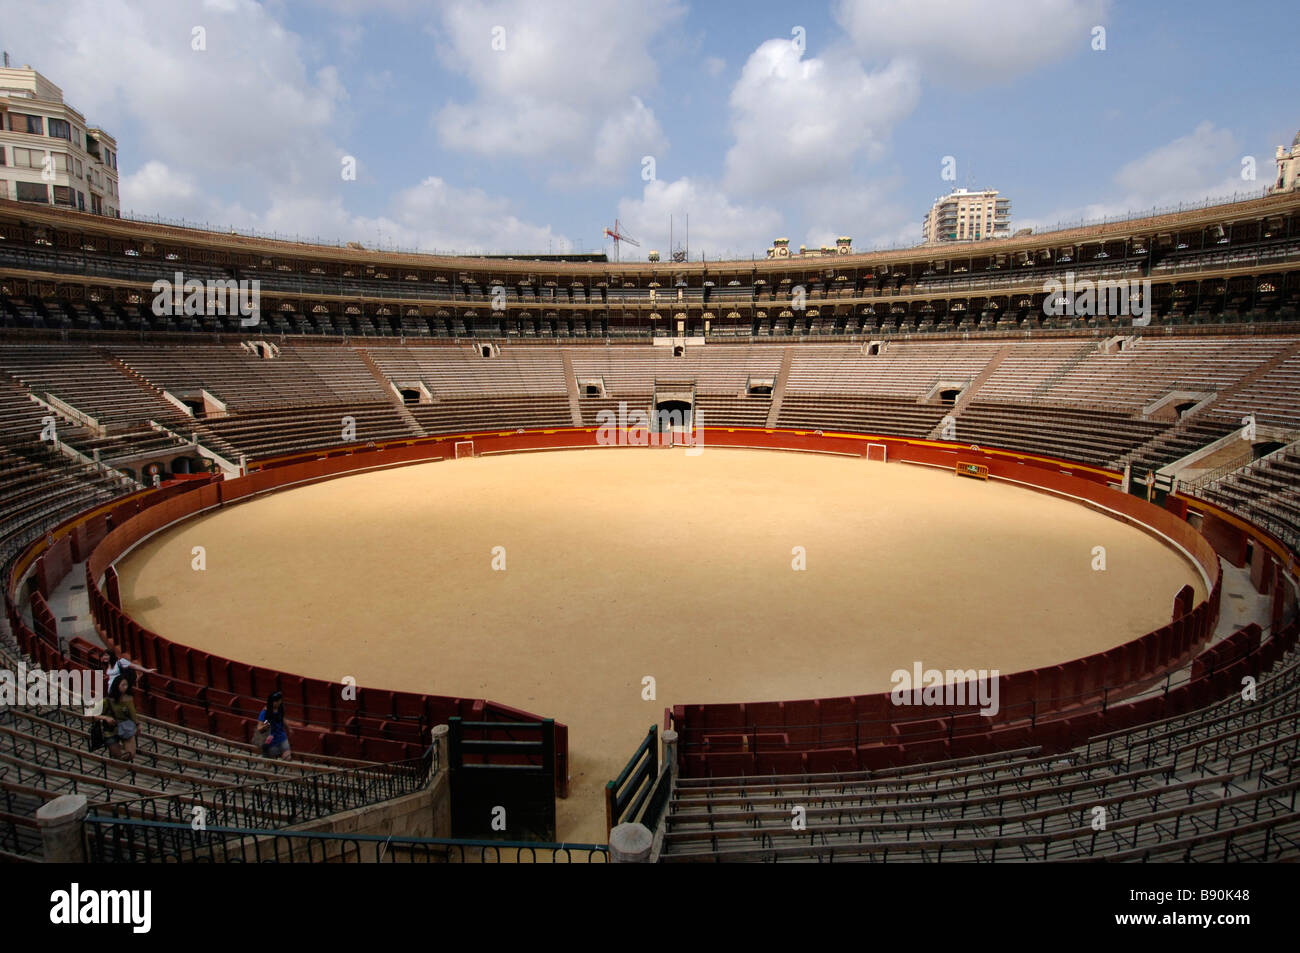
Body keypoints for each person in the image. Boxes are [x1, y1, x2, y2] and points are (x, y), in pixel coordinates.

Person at [97, 675, 140, 763]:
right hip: (111, 731)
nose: (125, 687)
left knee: (131, 754)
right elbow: (92, 714)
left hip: (125, 729)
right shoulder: (107, 700)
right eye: (123, 685)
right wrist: (105, 718)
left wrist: (137, 724)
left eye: (126, 685)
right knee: (118, 757)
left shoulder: (128, 699)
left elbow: (132, 714)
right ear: (117, 686)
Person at [257, 691, 291, 760]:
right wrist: (264, 727)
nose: (280, 702)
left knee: (288, 757)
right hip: (271, 741)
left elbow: (282, 718)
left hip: (282, 737)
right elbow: (260, 727)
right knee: (271, 761)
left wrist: (289, 728)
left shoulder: (280, 708)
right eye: (278, 701)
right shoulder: (265, 712)